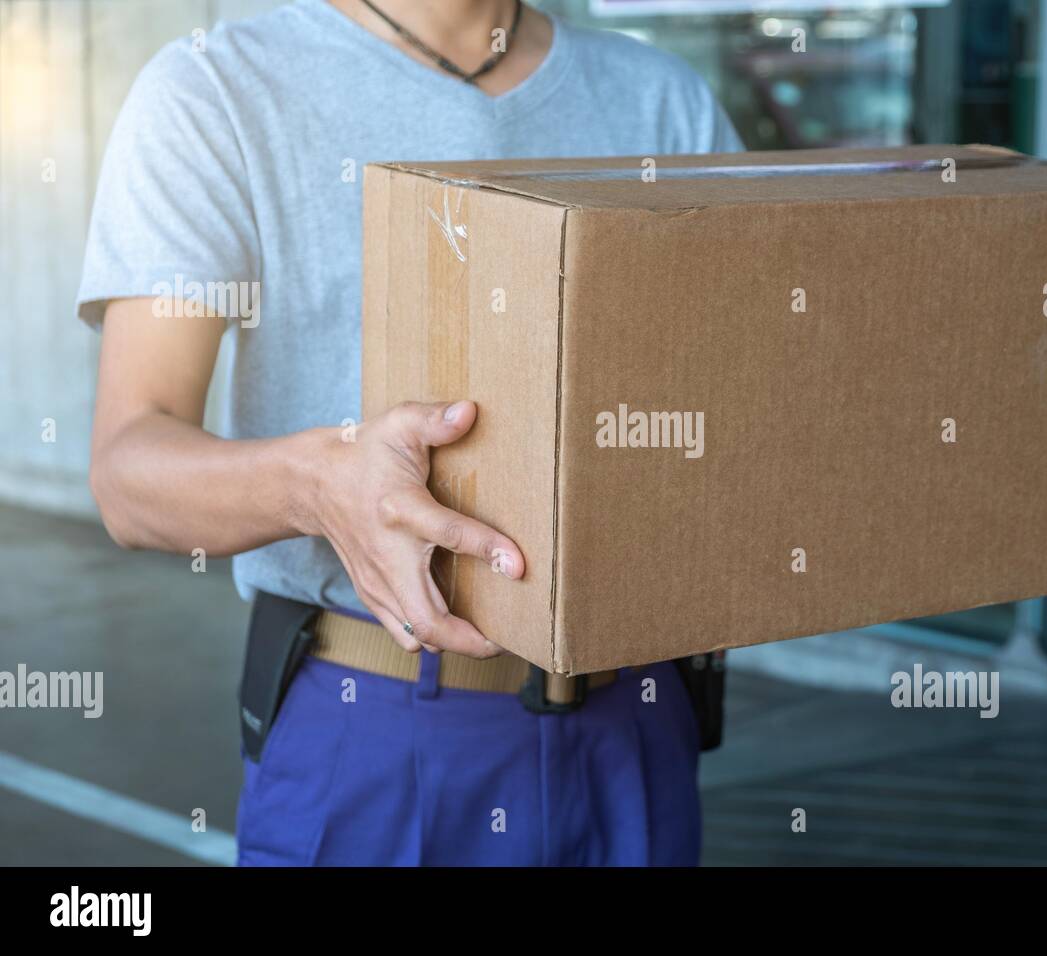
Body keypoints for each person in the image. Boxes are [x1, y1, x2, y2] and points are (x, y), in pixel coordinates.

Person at [79, 0, 742, 866]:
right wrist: (318, 485)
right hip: (373, 721)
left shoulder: (662, 99)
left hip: (639, 717)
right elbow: (129, 467)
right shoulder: (216, 88)